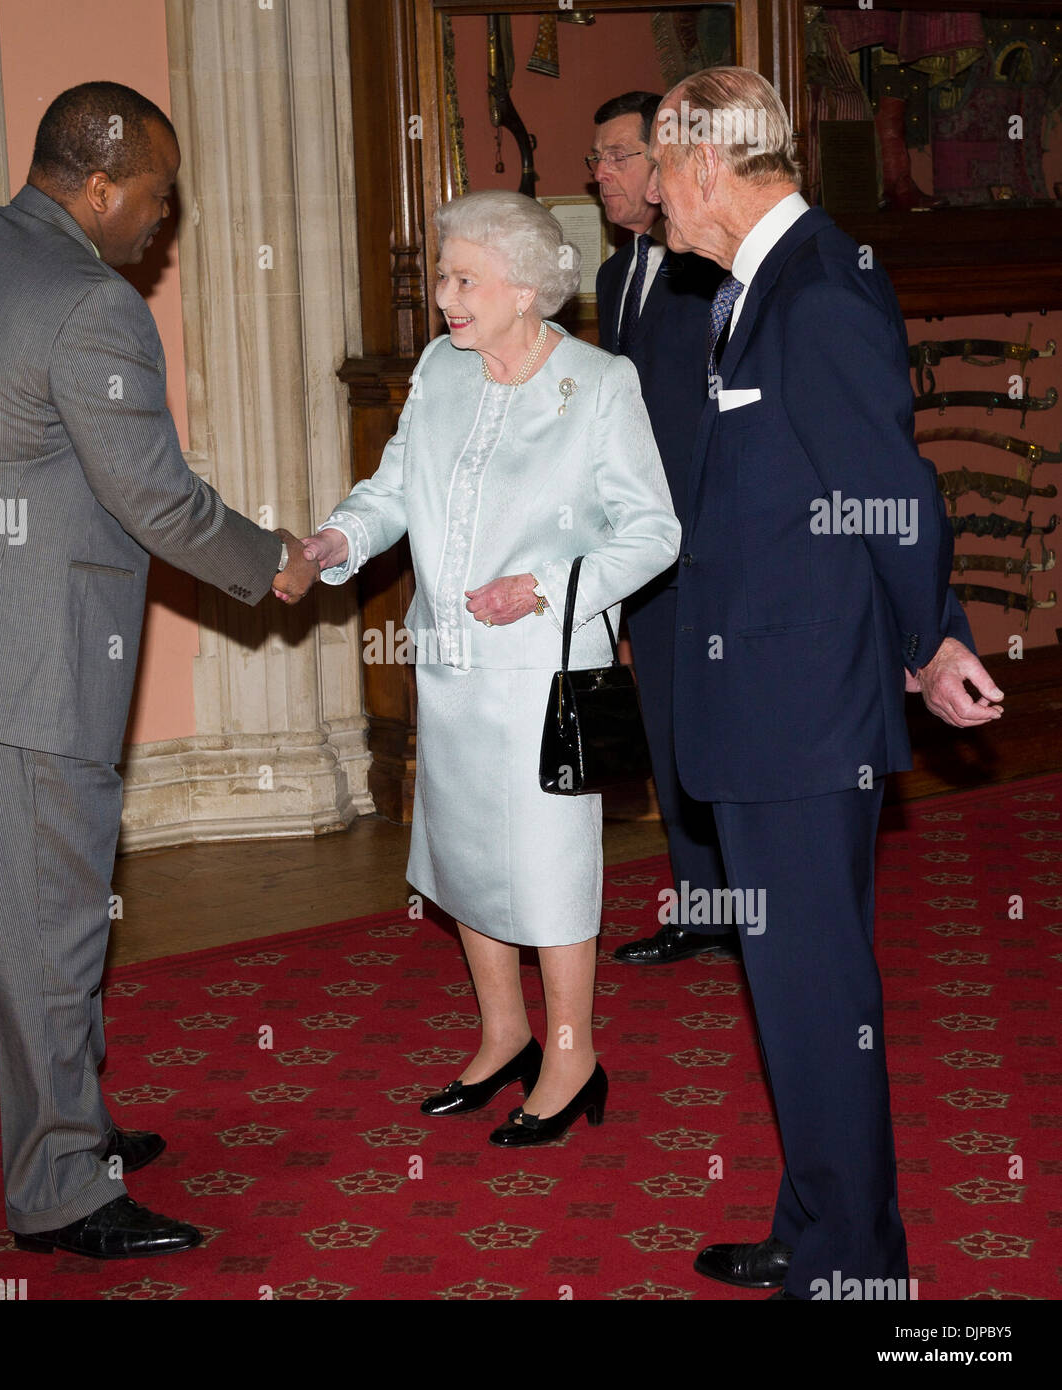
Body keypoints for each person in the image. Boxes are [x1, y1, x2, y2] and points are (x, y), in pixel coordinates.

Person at [0, 82, 319, 1259]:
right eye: (156, 201)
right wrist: (274, 564)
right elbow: (155, 497)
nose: (163, 225)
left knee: (39, 913)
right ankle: (60, 1186)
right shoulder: (89, 306)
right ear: (100, 186)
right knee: (54, 924)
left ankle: (78, 1125)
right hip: (21, 660)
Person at [644, 66, 1003, 1299]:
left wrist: (934, 637)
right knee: (792, 1001)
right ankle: (813, 1225)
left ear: (709, 164)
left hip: (801, 712)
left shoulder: (818, 289)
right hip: (760, 704)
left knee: (816, 997)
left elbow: (893, 488)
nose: (647, 195)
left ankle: (857, 1270)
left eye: (659, 166)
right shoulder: (760, 286)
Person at [301, 190, 680, 1145]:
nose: (444, 298)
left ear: (525, 290)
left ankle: (571, 1053)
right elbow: (393, 490)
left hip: (545, 672)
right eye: (442, 277)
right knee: (463, 859)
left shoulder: (599, 385)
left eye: (464, 279)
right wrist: (335, 541)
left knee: (549, 874)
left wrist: (544, 586)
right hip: (453, 664)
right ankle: (504, 1032)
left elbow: (654, 535)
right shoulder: (441, 367)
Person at [588, 91, 736, 967]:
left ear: (665, 162)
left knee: (719, 725)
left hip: (712, 537)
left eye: (616, 156)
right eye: (596, 161)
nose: (600, 174)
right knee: (668, 725)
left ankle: (750, 909)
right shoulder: (614, 277)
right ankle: (701, 907)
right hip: (642, 540)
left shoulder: (715, 271)